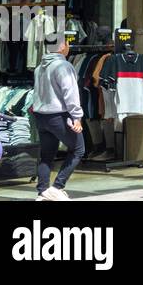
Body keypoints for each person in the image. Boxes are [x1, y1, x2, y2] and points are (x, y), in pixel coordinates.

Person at [31, 32, 84, 201]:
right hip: (58, 116)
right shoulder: (63, 66)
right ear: (62, 46)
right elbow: (70, 93)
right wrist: (77, 117)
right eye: (67, 44)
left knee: (47, 155)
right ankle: (57, 187)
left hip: (41, 116)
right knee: (78, 149)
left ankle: (43, 192)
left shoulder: (40, 67)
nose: (68, 47)